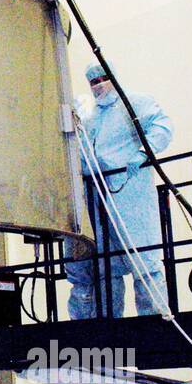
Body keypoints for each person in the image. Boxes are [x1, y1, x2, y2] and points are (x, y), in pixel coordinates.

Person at [66, 61, 173, 321]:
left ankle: (155, 322)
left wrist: (142, 153)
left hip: (130, 192)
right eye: (94, 81)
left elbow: (161, 127)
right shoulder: (88, 116)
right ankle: (107, 323)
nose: (99, 85)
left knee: (143, 260)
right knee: (105, 266)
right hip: (96, 195)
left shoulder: (134, 104)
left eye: (104, 78)